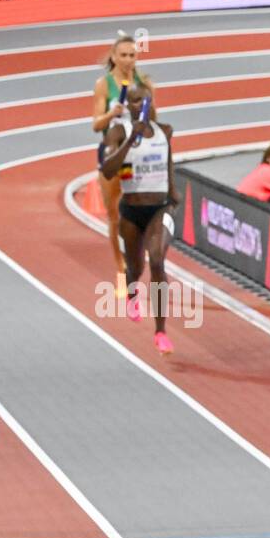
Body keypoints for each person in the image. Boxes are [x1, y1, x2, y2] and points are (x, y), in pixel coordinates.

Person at [99, 83, 179, 355]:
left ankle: (160, 331)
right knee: (135, 267)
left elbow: (168, 163)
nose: (140, 105)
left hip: (160, 209)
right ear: (127, 104)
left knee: (156, 260)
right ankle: (133, 292)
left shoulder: (164, 131)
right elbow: (108, 170)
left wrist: (173, 194)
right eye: (134, 101)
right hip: (132, 211)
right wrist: (129, 142)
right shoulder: (118, 132)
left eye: (144, 100)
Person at [91, 33, 150, 300]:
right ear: (114, 57)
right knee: (115, 216)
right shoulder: (103, 85)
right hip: (112, 154)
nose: (128, 60)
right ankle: (120, 270)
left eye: (132, 55)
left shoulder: (145, 83)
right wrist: (111, 114)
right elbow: (95, 125)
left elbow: (154, 120)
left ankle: (138, 253)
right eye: (123, 55)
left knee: (140, 209)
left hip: (138, 155)